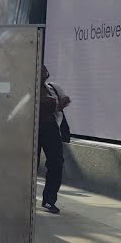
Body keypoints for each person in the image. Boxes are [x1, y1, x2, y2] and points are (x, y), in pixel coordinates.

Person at [38, 65, 71, 213]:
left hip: (51, 128)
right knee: (29, 165)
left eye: (44, 71)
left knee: (56, 163)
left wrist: (57, 104)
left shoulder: (53, 88)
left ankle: (49, 200)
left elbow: (65, 100)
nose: (43, 73)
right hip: (31, 129)